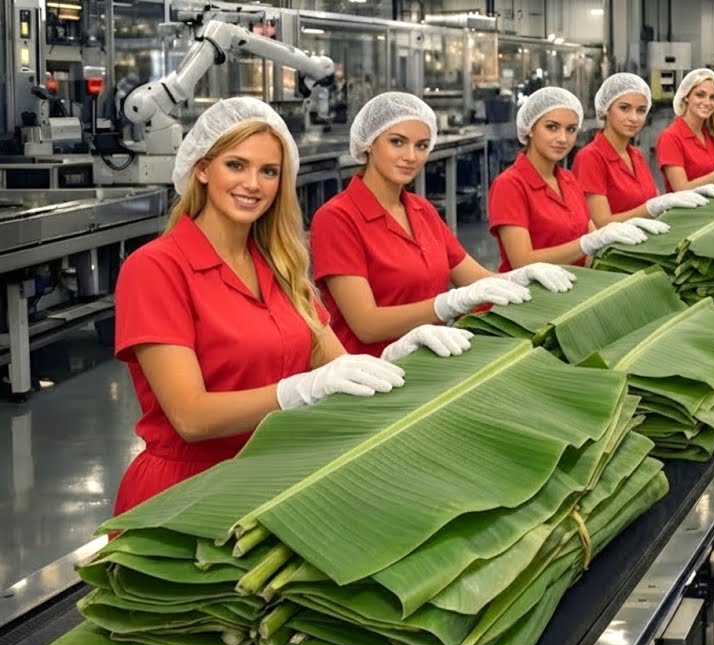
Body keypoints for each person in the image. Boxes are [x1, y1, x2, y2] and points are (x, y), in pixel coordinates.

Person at [111, 98, 470, 516]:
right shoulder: (156, 268)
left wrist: (399, 354)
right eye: (236, 165)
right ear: (202, 169)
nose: (253, 184)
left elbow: (334, 361)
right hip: (188, 496)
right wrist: (298, 391)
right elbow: (190, 417)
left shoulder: (279, 265)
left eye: (269, 172)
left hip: (271, 479)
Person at [310, 92, 573, 358]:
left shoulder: (421, 210)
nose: (411, 156)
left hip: (435, 361)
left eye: (422, 146)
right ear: (369, 143)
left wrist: (522, 278)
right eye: (397, 142)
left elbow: (475, 279)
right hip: (373, 377)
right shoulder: (337, 218)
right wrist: (446, 304)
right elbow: (366, 325)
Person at [489, 86, 665, 271]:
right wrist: (585, 244)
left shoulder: (568, 180)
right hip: (532, 294)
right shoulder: (509, 185)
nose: (563, 138)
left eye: (571, 129)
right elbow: (522, 261)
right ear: (530, 129)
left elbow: (591, 240)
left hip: (577, 285)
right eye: (552, 127)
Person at [573, 72, 714, 228]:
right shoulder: (590, 157)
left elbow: (653, 199)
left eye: (641, 110)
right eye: (624, 108)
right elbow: (601, 224)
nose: (634, 118)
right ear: (606, 109)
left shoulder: (636, 155)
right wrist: (651, 209)